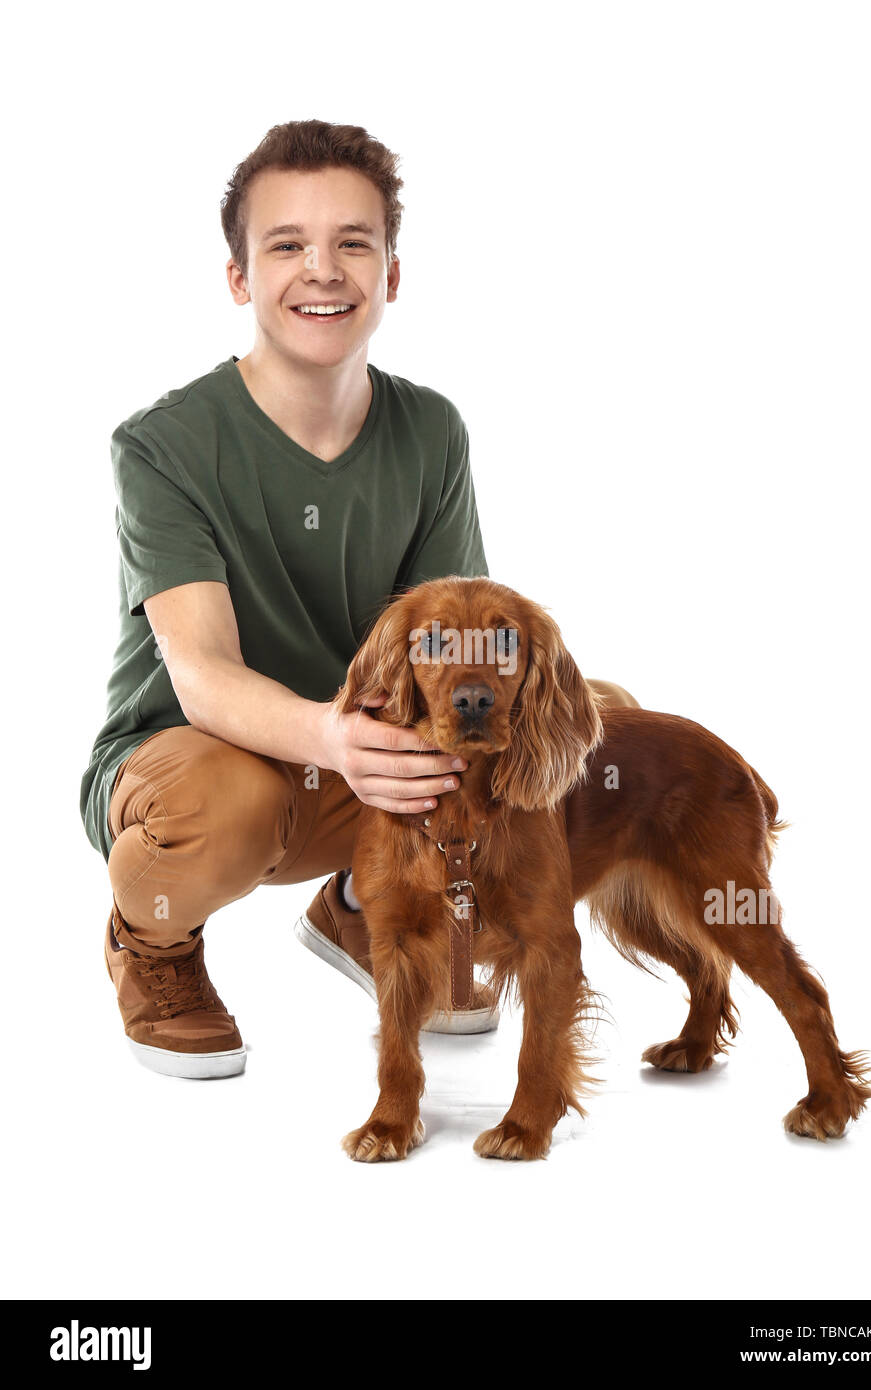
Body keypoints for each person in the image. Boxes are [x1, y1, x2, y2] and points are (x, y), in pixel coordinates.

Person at [80, 118, 638, 1081]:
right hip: (203, 767)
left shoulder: (429, 429)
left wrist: (501, 723)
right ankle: (154, 944)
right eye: (286, 245)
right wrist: (336, 738)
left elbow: (465, 645)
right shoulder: (162, 445)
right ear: (240, 278)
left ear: (390, 272)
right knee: (228, 800)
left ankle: (364, 901)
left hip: (370, 761)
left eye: (353, 243)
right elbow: (204, 676)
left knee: (599, 728)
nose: (323, 271)